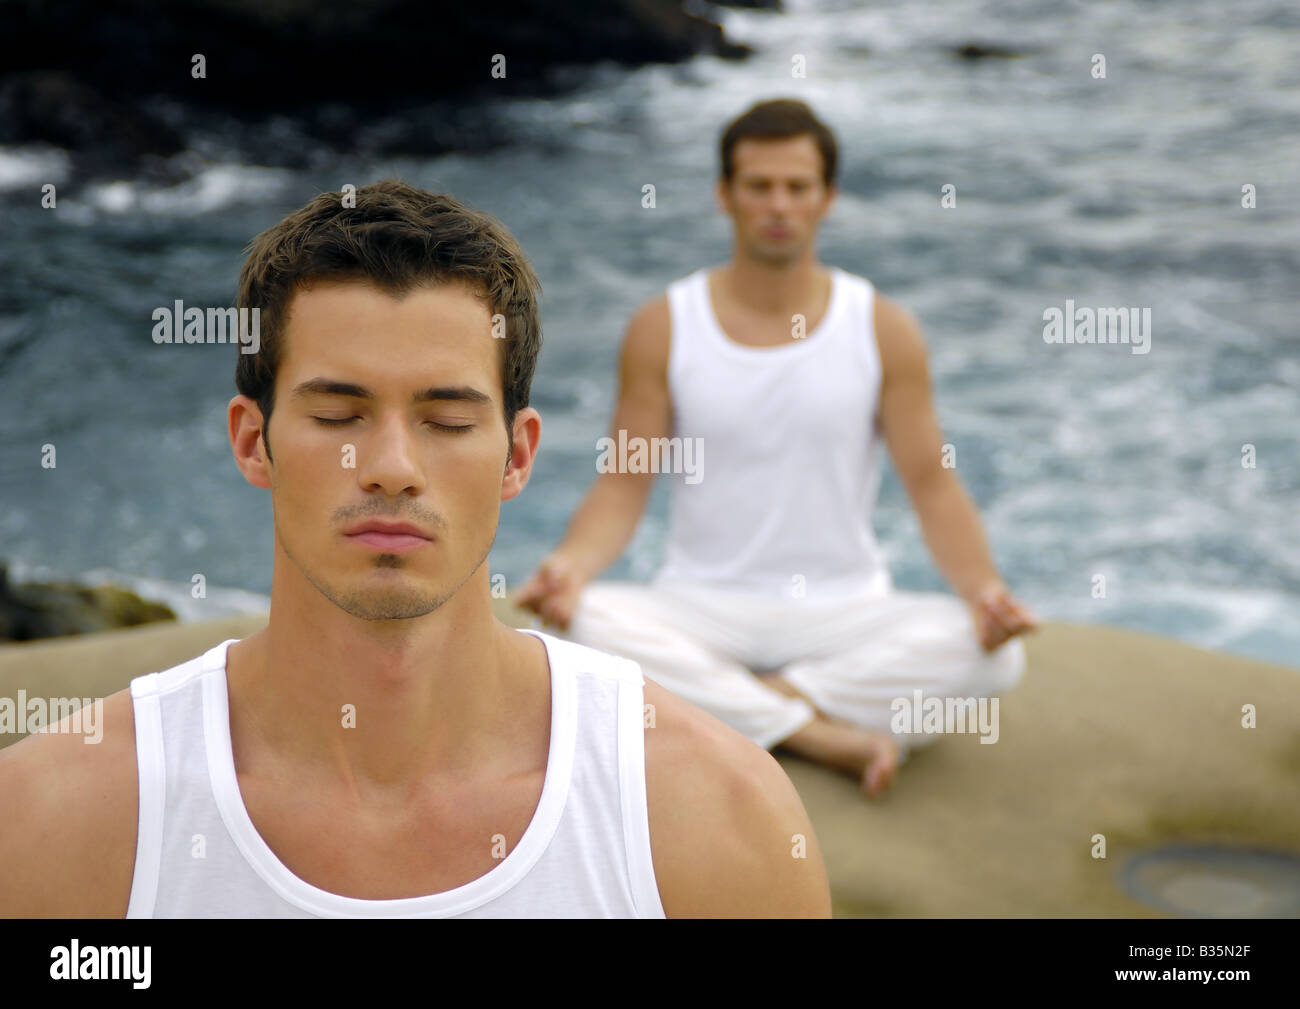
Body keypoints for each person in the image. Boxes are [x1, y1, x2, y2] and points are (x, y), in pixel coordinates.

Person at [0, 179, 830, 918]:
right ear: (253, 441)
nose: (393, 467)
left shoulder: (710, 815)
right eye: (338, 414)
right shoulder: (55, 819)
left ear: (517, 455)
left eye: (447, 420)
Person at [516, 99, 1039, 799]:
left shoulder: (880, 327)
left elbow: (930, 482)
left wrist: (983, 591)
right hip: (703, 603)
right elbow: (623, 483)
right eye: (759, 185)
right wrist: (571, 564)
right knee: (577, 623)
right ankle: (812, 729)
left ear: (828, 197)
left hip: (841, 607)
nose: (779, 205)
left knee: (994, 659)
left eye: (798, 187)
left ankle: (748, 707)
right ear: (724, 195)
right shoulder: (665, 324)